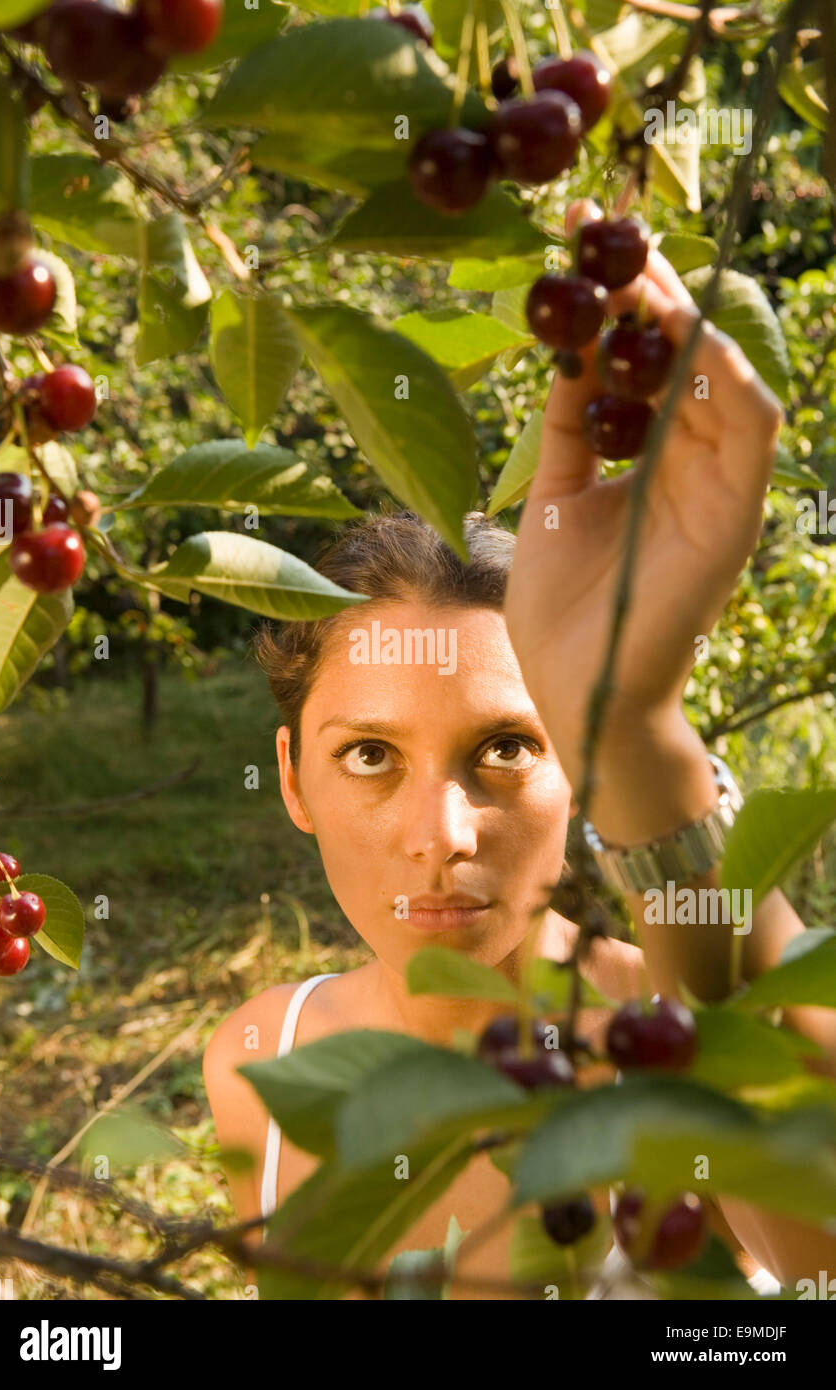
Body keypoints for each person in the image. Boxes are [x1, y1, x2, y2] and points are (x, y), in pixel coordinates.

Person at [203, 200, 836, 1299]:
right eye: (366, 756)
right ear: (292, 777)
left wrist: (629, 725)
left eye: (504, 746)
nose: (442, 836)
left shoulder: (683, 1030)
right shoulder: (258, 1063)